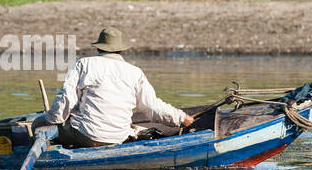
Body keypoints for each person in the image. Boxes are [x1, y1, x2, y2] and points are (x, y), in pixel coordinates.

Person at [35, 27, 193, 147]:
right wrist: (181, 118)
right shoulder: (135, 72)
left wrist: (52, 120)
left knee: (38, 124)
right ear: (121, 50)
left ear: (98, 48)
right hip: (119, 137)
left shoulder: (84, 64)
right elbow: (153, 107)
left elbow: (66, 98)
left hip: (86, 136)